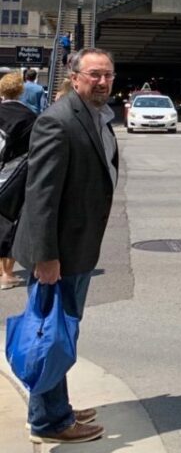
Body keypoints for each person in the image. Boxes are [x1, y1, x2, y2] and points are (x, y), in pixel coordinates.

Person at [12, 47, 118, 445]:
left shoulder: (94, 116)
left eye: (108, 74)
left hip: (76, 246)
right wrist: (46, 257)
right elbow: (41, 195)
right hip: (59, 252)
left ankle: (56, 407)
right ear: (75, 77)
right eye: (94, 74)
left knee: (59, 331)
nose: (102, 81)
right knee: (49, 334)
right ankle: (48, 420)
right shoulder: (58, 120)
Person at [0, 73, 37, 289]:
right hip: (15, 174)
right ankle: (7, 273)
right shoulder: (29, 116)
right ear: (20, 91)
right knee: (12, 221)